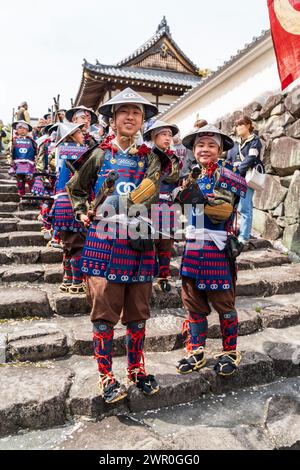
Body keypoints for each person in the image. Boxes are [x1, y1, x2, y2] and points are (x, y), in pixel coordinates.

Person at [67, 87, 162, 404]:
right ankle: (106, 377)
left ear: (142, 119)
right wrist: (82, 210)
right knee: (104, 313)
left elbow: (150, 190)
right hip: (103, 240)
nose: (131, 117)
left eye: (136, 112)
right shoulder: (97, 154)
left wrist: (124, 202)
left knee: (137, 313)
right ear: (113, 118)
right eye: (124, 112)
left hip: (137, 239)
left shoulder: (150, 158)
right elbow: (76, 187)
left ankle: (136, 370)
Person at [175, 124, 247, 377]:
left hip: (217, 246)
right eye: (200, 145)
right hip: (194, 245)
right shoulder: (192, 177)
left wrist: (194, 197)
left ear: (220, 150)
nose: (205, 149)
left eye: (211, 145)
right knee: (193, 303)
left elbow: (222, 211)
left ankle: (230, 351)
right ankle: (196, 349)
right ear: (193, 150)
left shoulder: (229, 176)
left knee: (224, 302)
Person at [49, 122, 88, 293]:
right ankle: (77, 282)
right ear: (71, 136)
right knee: (78, 244)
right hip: (71, 202)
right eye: (79, 132)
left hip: (60, 203)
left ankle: (67, 278)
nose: (83, 134)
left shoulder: (63, 153)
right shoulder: (78, 151)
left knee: (68, 244)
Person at [143, 120, 180, 292]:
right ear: (153, 136)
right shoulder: (145, 156)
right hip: (149, 204)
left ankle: (163, 275)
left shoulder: (174, 159)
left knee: (166, 242)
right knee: (149, 241)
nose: (168, 138)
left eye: (170, 135)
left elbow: (176, 182)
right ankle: (147, 275)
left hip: (167, 204)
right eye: (164, 134)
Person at [226, 115, 263, 245]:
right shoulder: (234, 144)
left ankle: (244, 236)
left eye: (241, 125)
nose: (238, 128)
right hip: (233, 178)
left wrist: (237, 171)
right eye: (236, 125)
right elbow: (228, 160)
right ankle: (228, 231)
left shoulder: (255, 141)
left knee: (245, 208)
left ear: (248, 125)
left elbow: (251, 158)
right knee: (230, 206)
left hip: (246, 178)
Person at [7, 121, 37, 197]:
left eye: (24, 128)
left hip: (29, 164)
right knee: (20, 181)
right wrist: (11, 163)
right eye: (20, 128)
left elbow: (37, 153)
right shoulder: (13, 141)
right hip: (17, 164)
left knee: (31, 181)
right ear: (16, 130)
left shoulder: (32, 141)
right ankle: (21, 197)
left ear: (27, 130)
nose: (22, 130)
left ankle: (34, 197)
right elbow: (10, 153)